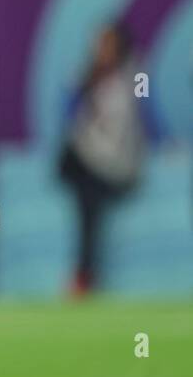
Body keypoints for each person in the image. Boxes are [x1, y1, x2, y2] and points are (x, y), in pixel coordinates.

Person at [58, 24, 145, 294]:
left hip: (119, 170)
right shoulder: (87, 80)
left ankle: (84, 275)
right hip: (90, 167)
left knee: (89, 194)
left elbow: (139, 126)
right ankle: (84, 274)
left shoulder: (134, 80)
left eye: (107, 44)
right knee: (85, 189)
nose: (100, 51)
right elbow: (71, 120)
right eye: (98, 45)